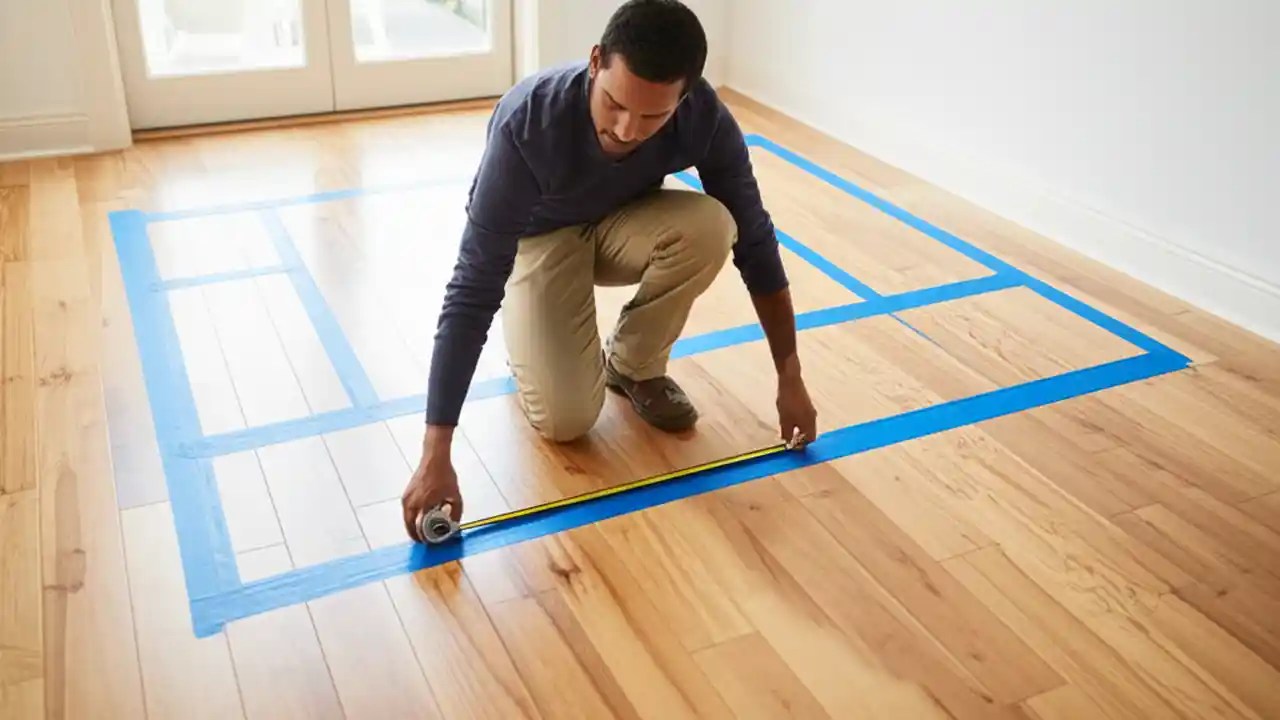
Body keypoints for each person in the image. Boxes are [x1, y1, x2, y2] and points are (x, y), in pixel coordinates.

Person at [401, 0, 818, 541]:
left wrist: (790, 374)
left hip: (621, 220)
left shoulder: (704, 118)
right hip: (542, 236)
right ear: (595, 61)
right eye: (615, 104)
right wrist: (436, 452)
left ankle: (632, 364)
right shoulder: (528, 123)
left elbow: (756, 240)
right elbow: (472, 287)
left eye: (654, 117)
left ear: (684, 98)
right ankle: (529, 332)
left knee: (717, 225)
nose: (627, 129)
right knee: (565, 421)